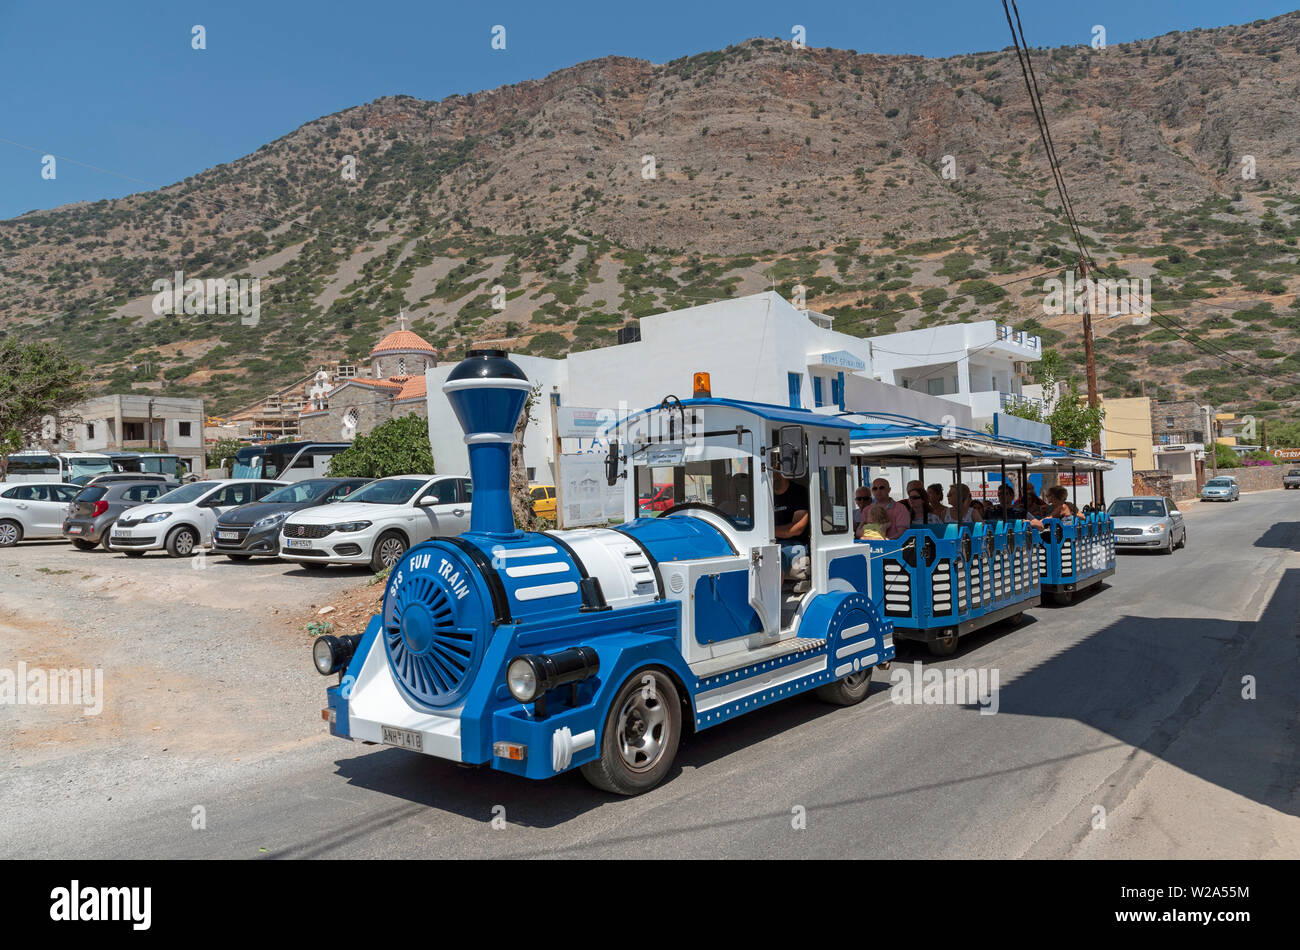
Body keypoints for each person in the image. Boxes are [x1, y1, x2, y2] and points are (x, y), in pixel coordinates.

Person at [772, 470, 810, 577]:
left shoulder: (799, 492)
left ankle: (773, 593)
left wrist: (769, 531)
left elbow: (797, 528)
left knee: (777, 556)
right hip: (772, 541)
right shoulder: (765, 494)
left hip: (798, 543)